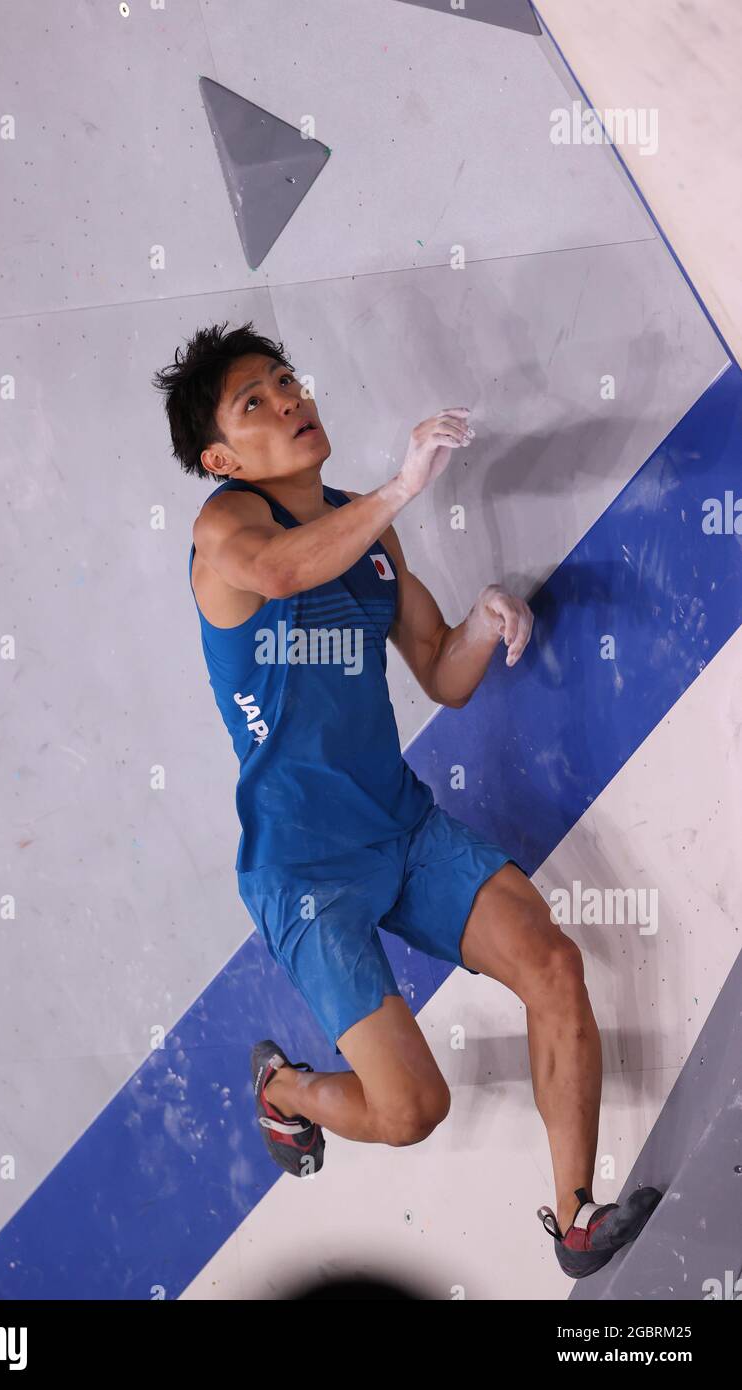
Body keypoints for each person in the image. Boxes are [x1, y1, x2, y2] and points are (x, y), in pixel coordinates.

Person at [152, 321, 661, 1279]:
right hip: (304, 869)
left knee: (552, 962)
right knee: (412, 1110)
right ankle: (285, 1090)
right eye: (254, 402)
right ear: (223, 459)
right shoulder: (223, 530)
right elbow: (279, 571)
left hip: (403, 827)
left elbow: (439, 670)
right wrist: (402, 484)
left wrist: (486, 620)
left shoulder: (368, 533)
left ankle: (575, 1216)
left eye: (285, 381)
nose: (288, 401)